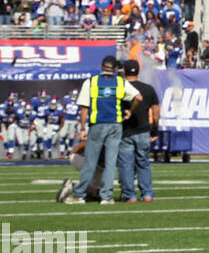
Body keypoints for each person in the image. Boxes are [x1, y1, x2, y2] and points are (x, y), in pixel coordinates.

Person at [66, 55, 141, 205]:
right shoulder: (120, 82)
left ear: (101, 67)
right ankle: (106, 196)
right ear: (114, 69)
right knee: (110, 163)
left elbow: (84, 108)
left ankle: (79, 194)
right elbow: (138, 97)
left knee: (90, 162)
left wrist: (82, 128)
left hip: (97, 124)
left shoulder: (91, 82)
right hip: (115, 125)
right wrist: (130, 111)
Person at [116, 60, 158, 203]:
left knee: (126, 164)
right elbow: (156, 112)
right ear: (138, 71)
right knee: (144, 162)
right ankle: (146, 194)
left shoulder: (120, 88)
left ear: (124, 72)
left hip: (126, 131)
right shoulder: (148, 89)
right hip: (143, 130)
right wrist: (155, 130)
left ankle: (130, 195)